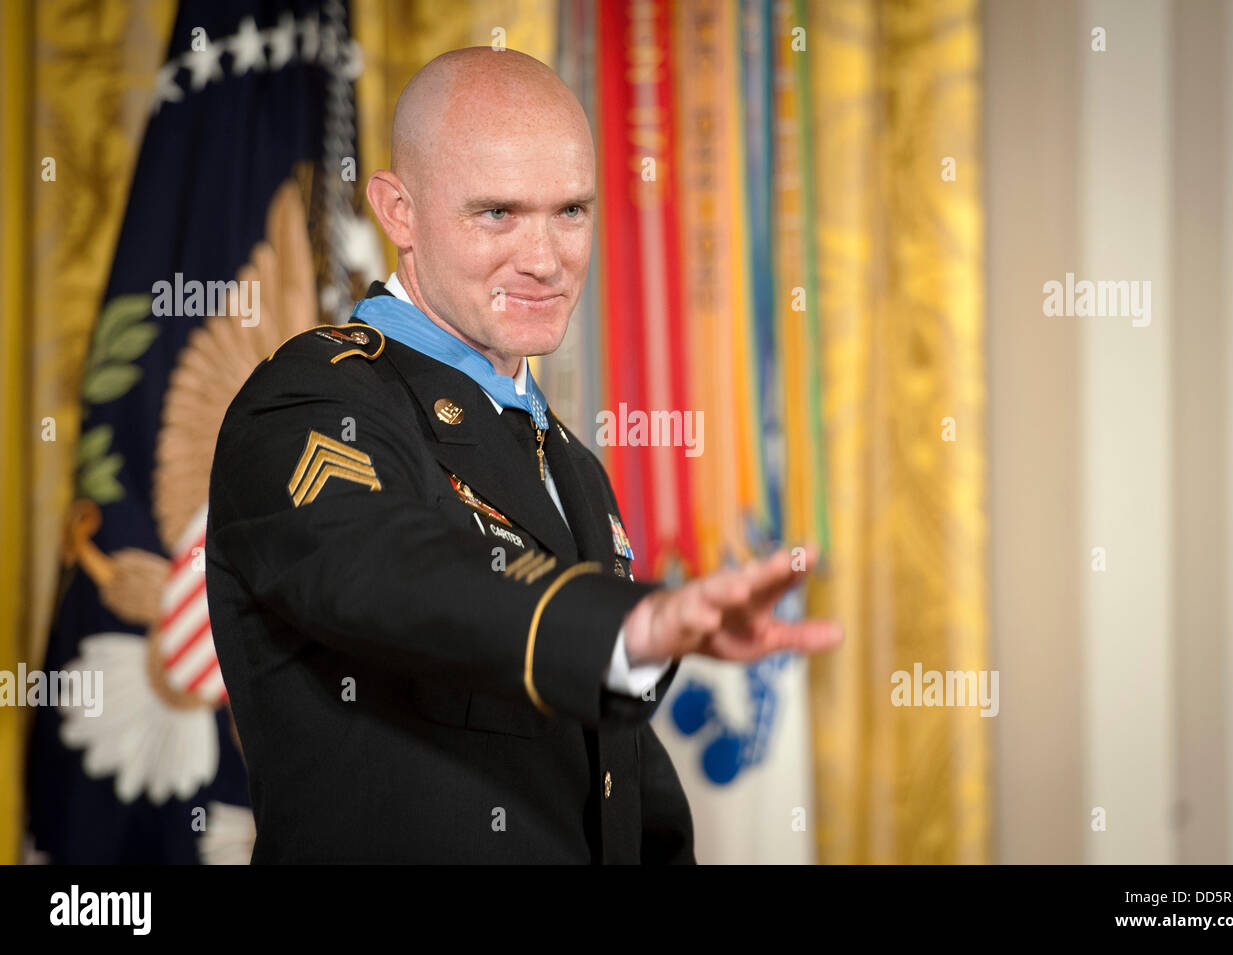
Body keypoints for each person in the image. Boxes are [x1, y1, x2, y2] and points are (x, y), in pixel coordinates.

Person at [205, 46, 842, 864]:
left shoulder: (572, 464)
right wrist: (632, 624)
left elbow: (616, 786)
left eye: (571, 210)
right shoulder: (310, 402)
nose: (546, 259)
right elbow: (391, 568)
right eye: (498, 213)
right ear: (398, 212)